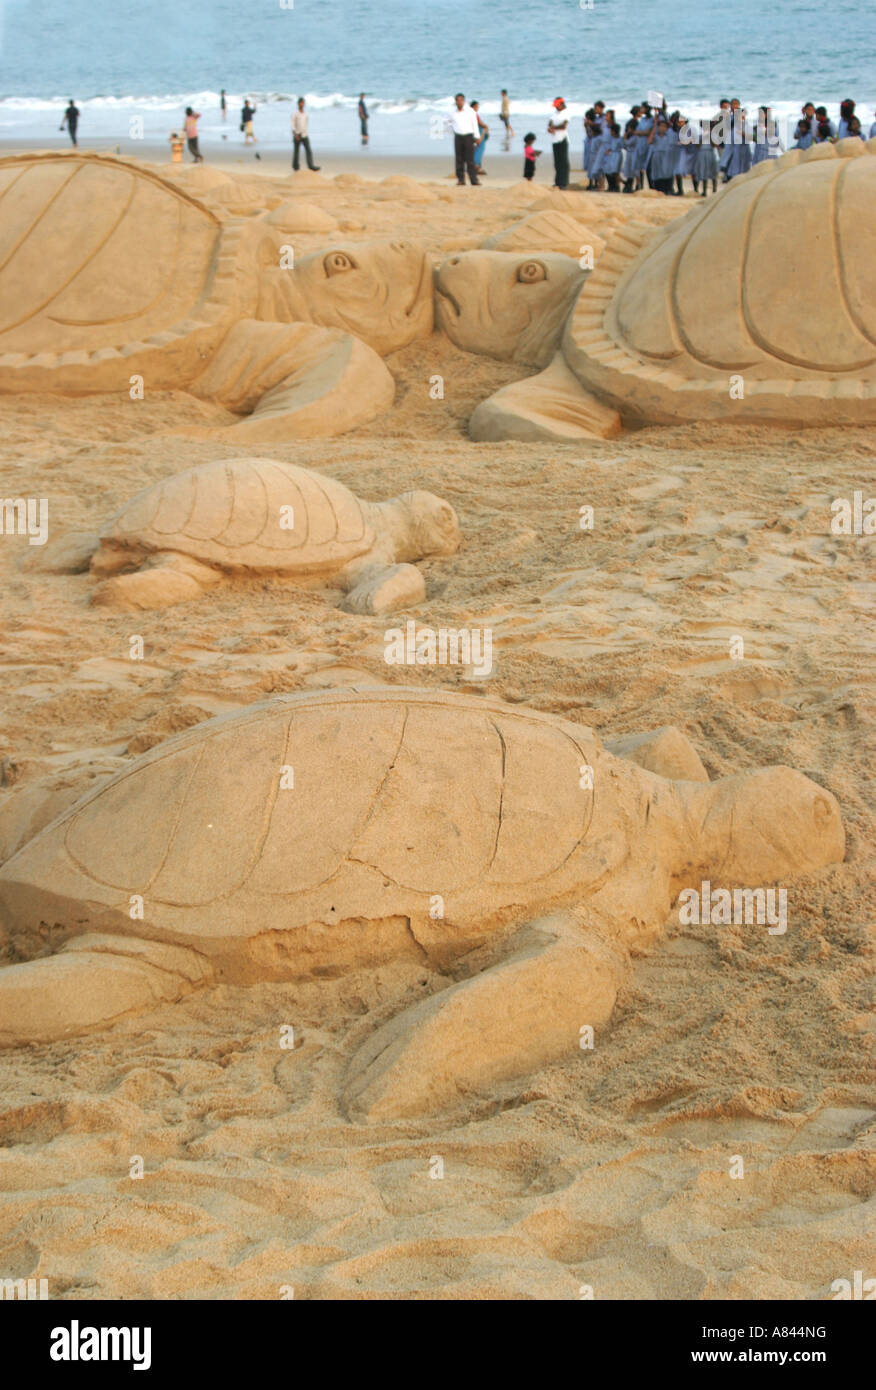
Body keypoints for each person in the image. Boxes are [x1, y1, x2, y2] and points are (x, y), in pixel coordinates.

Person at [448, 93, 480, 186]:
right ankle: (461, 179)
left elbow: (474, 123)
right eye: (457, 100)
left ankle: (474, 180)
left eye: (461, 100)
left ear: (464, 101)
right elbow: (448, 123)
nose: (459, 102)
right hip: (458, 137)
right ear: (455, 102)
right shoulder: (452, 113)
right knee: (459, 159)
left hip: (468, 136)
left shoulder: (470, 111)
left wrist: (477, 136)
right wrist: (452, 131)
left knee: (470, 159)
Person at [291, 97, 320, 171]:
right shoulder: (295, 114)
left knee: (308, 150)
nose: (302, 104)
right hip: (297, 134)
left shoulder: (305, 114)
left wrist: (306, 132)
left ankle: (311, 165)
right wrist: (295, 134)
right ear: (298, 104)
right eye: (300, 103)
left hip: (304, 134)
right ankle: (295, 166)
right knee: (296, 151)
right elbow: (292, 125)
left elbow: (306, 124)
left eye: (303, 103)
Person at [548, 97, 570, 189]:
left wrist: (554, 128)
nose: (556, 108)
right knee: (557, 162)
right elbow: (550, 122)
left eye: (557, 106)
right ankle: (558, 181)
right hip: (555, 139)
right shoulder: (555, 113)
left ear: (562, 104)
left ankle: (564, 182)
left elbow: (564, 126)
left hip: (562, 138)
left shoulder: (566, 113)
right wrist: (550, 128)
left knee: (563, 161)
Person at [471, 100, 489, 174]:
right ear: (474, 106)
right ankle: (476, 166)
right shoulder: (474, 114)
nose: (477, 108)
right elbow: (480, 124)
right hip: (478, 134)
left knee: (475, 150)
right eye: (477, 106)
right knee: (479, 149)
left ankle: (475, 166)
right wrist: (486, 127)